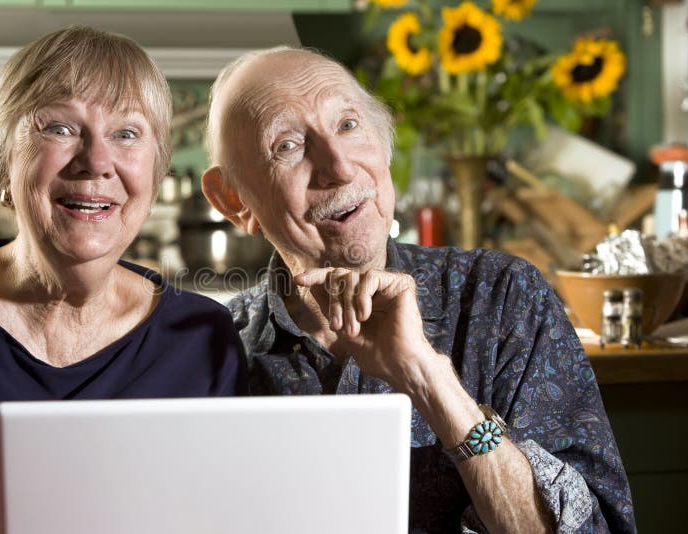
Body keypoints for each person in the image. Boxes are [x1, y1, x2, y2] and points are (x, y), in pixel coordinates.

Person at [201, 46, 635, 533]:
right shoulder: (211, 352)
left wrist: (431, 382)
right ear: (233, 200)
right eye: (287, 146)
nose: (341, 168)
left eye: (347, 125)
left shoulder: (504, 298)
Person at [0, 26, 247, 534]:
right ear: (2, 154)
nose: (96, 163)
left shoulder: (202, 338)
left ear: (156, 168)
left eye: (126, 134)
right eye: (59, 128)